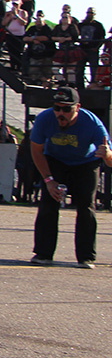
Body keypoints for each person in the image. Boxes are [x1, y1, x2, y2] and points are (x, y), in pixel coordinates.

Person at [29, 87, 112, 268]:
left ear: (77, 108)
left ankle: (86, 256)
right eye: (57, 108)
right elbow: (36, 151)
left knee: (86, 206)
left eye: (67, 109)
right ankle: (43, 253)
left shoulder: (92, 123)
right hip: (55, 160)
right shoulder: (44, 119)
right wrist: (49, 180)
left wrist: (106, 155)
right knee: (48, 203)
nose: (61, 113)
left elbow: (111, 159)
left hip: (85, 163)